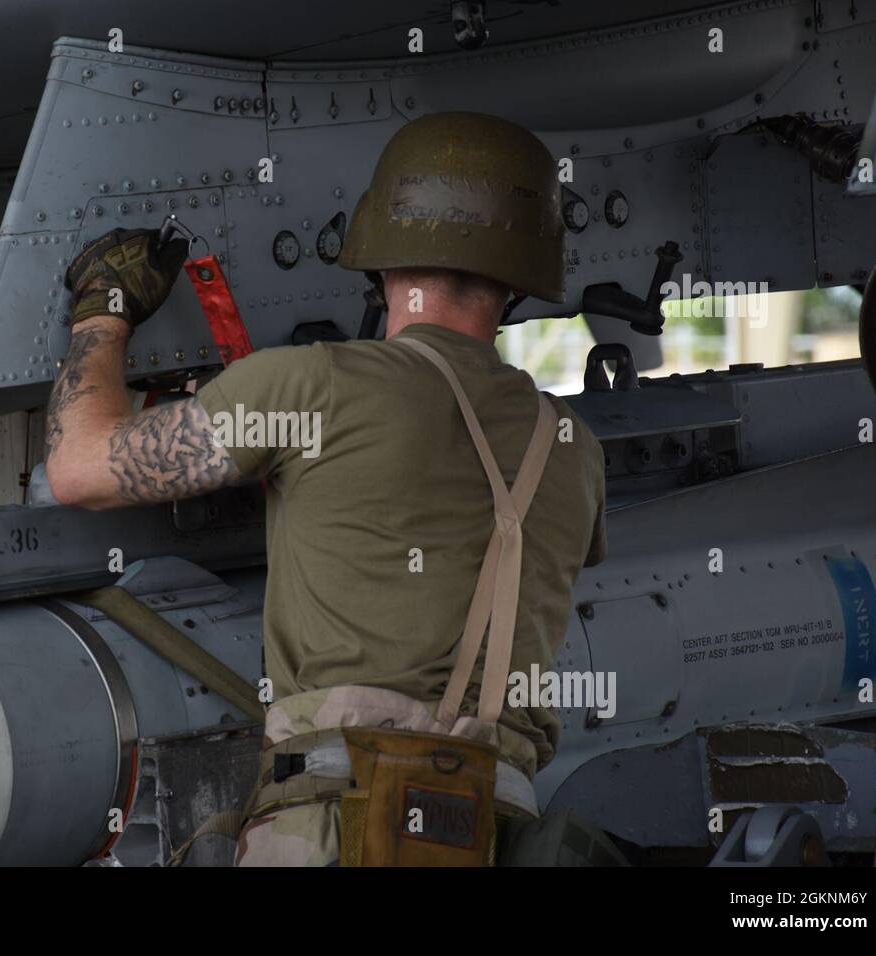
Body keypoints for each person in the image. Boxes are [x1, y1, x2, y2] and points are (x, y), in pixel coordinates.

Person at [46, 111, 605, 866]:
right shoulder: (572, 447)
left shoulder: (312, 386)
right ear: (519, 281)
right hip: (498, 830)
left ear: (378, 254)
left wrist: (104, 306)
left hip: (336, 822)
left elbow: (80, 466)